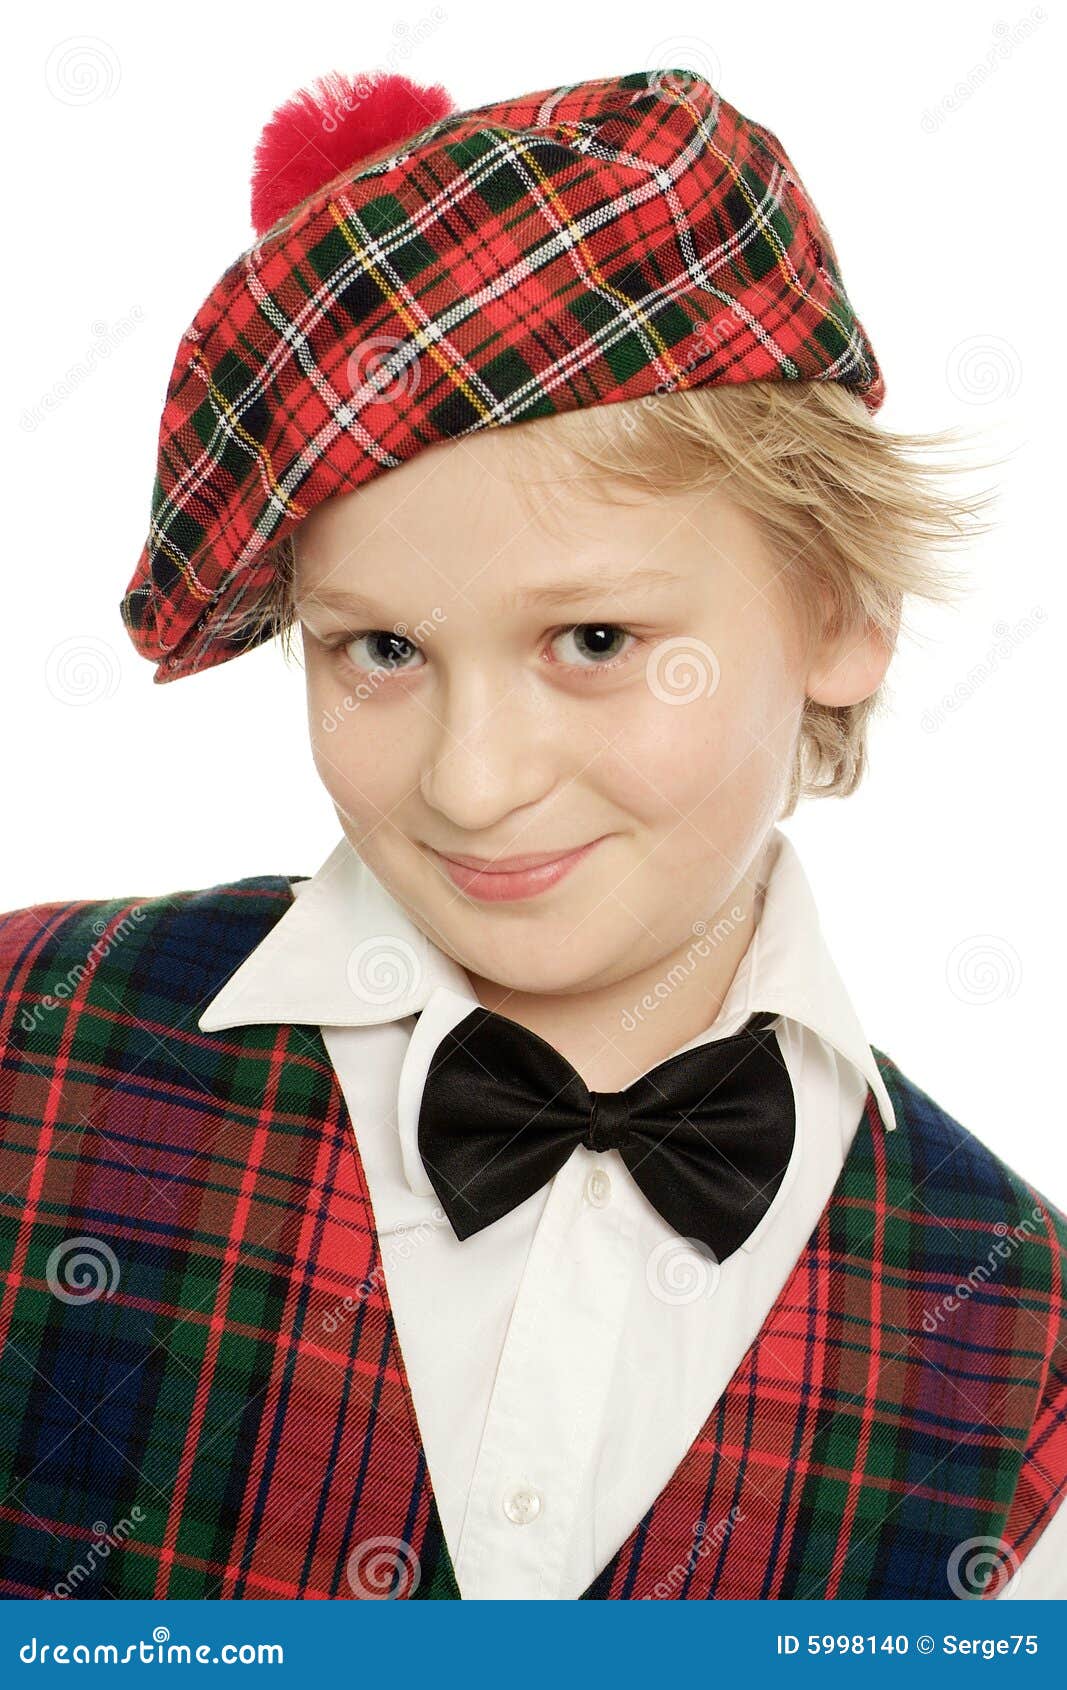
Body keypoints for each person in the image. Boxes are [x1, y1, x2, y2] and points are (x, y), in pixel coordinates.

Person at [0, 63, 1063, 1602]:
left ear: (843, 614)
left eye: (593, 640)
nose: (476, 782)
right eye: (379, 650)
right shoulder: (33, 1048)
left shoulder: (1024, 1355)